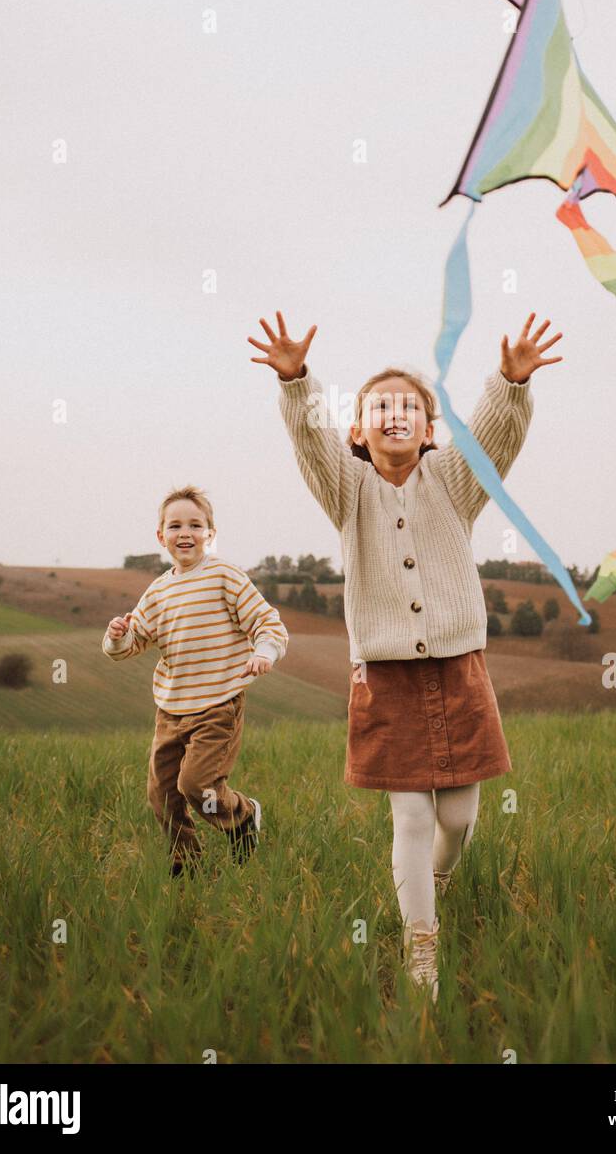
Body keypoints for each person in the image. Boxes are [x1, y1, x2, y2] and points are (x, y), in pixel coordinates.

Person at [249, 310, 562, 1001]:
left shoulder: (454, 481)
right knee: (413, 819)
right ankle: (423, 945)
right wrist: (297, 381)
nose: (394, 413)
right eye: (379, 406)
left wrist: (509, 385)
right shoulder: (347, 489)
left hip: (459, 668)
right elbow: (311, 440)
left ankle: (439, 880)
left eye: (409, 406)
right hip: (386, 674)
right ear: (358, 430)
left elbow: (493, 440)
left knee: (459, 819)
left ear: (428, 429)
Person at [103, 485, 288, 874]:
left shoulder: (225, 575)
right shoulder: (158, 592)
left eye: (195, 525)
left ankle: (241, 816)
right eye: (175, 525)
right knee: (162, 793)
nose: (185, 532)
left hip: (219, 704)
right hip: (170, 709)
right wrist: (117, 636)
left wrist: (263, 652)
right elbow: (131, 644)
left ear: (210, 533)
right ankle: (185, 865)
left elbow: (267, 622)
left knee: (197, 785)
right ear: (161, 537)